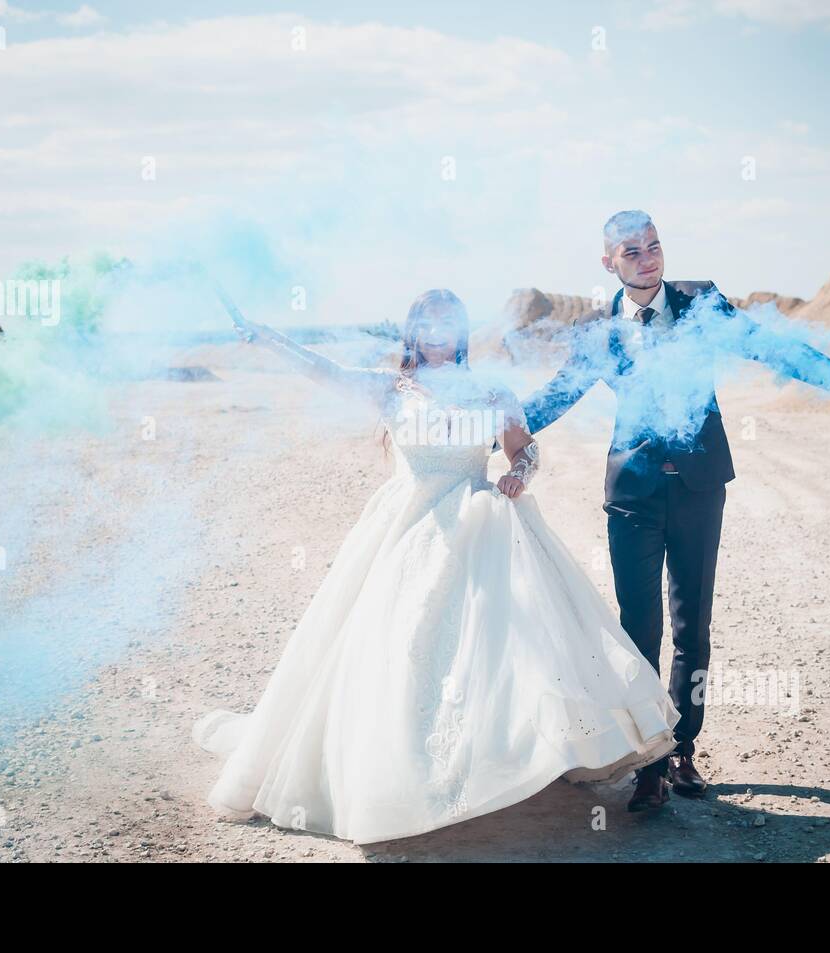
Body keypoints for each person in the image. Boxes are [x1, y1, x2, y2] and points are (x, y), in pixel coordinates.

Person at [193, 288, 679, 843]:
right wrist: (265, 335)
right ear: (413, 329)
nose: (439, 328)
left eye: (449, 318)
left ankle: (498, 758)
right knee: (406, 647)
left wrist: (520, 473)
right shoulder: (388, 387)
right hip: (408, 525)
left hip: (482, 524)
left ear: (462, 328)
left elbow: (525, 448)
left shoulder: (491, 388)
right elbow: (319, 367)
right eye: (428, 319)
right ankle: (396, 778)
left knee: (503, 647)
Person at [523, 210, 830, 812]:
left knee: (690, 625)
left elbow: (775, 351)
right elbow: (557, 395)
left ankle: (681, 751)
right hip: (632, 497)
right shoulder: (598, 333)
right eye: (632, 251)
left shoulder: (701, 302)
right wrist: (489, 430)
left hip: (700, 489)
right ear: (609, 263)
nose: (648, 258)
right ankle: (646, 760)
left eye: (654, 245)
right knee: (638, 628)